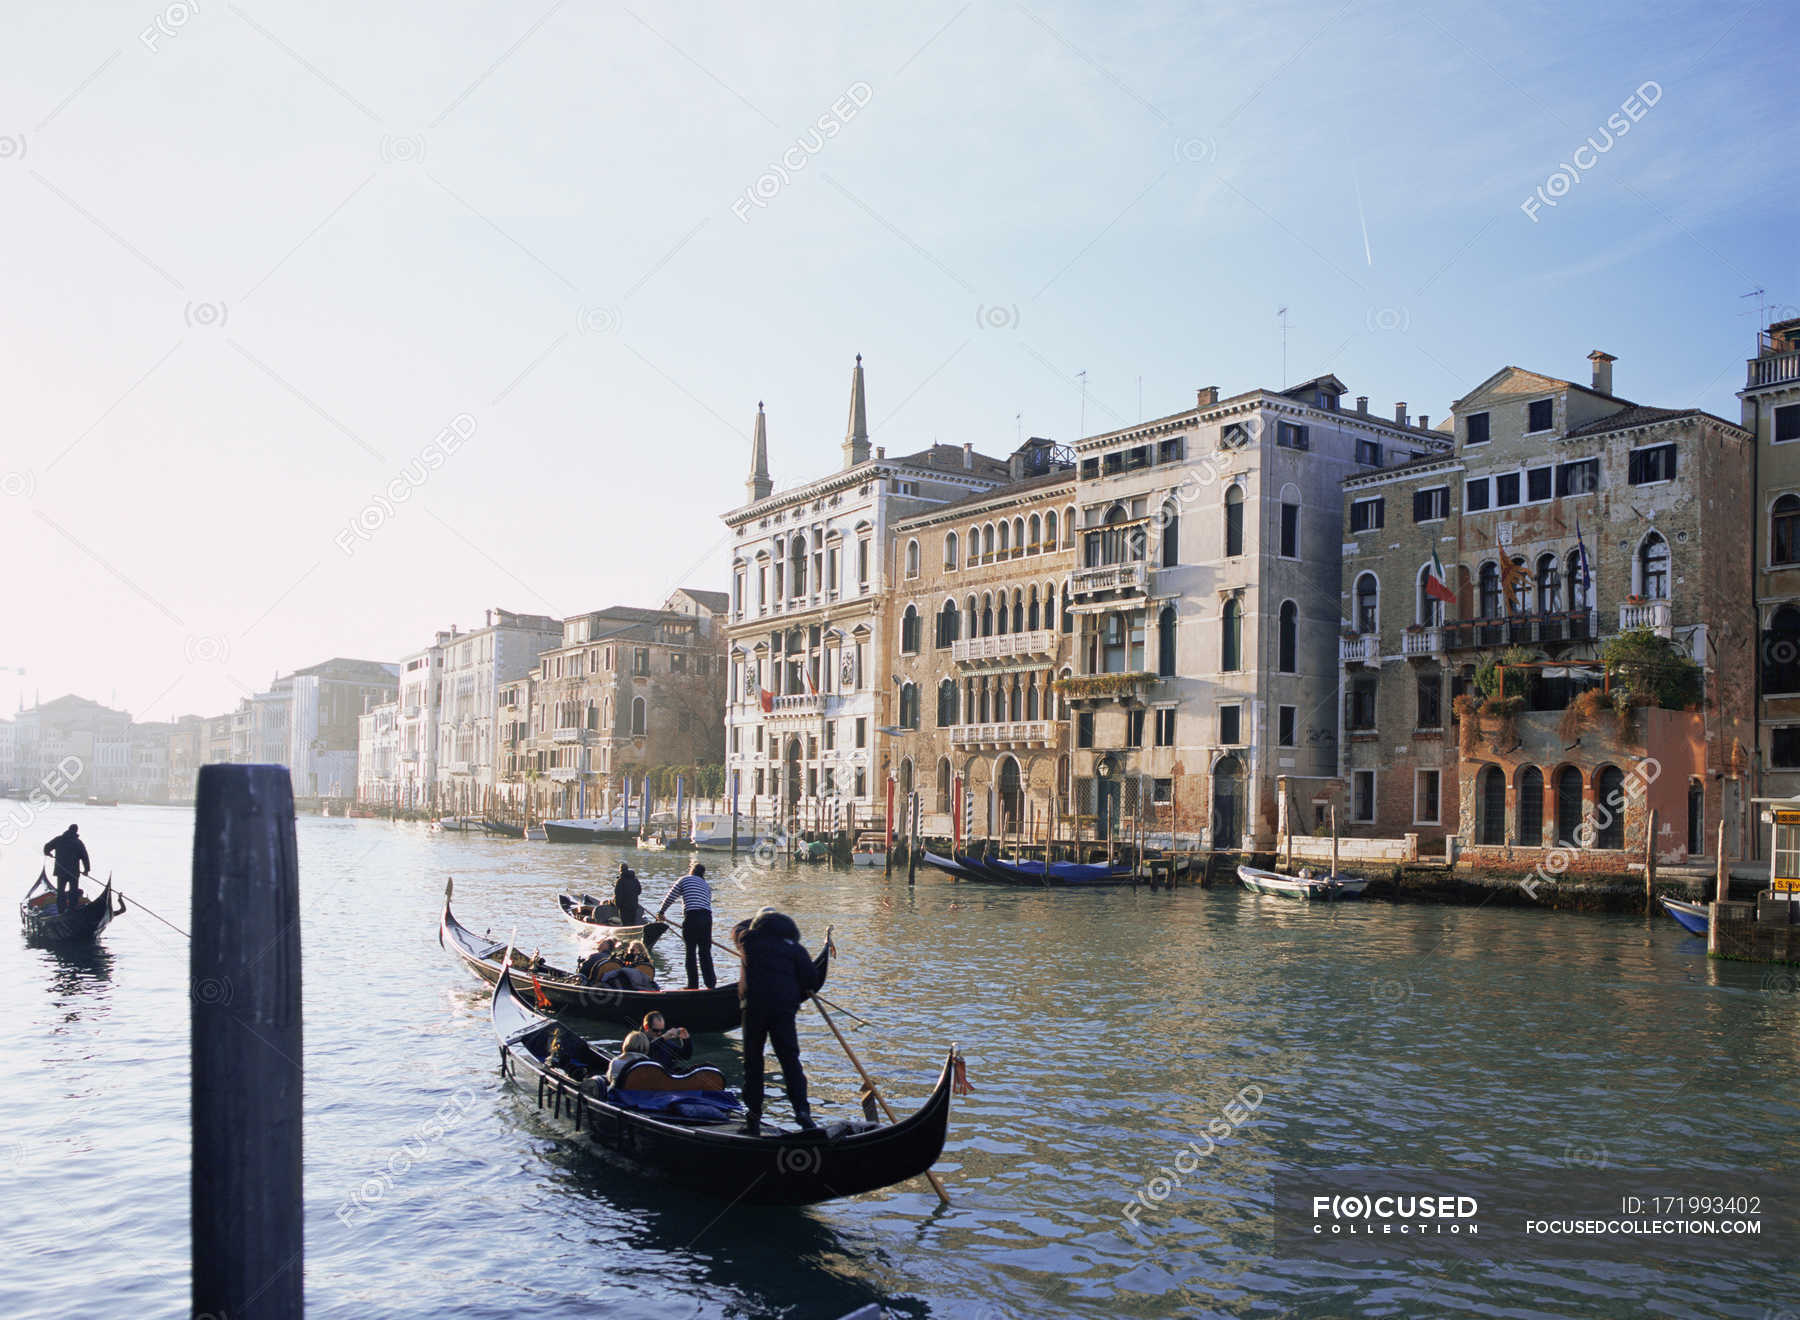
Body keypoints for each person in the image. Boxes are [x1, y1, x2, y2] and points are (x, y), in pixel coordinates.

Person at [731, 906, 823, 1134]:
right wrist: (795, 996)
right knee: (790, 1061)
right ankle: (802, 1113)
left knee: (753, 1062)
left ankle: (753, 1118)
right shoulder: (795, 948)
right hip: (784, 1009)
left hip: (753, 1008)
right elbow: (812, 980)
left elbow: (736, 928)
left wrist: (759, 918)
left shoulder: (748, 939)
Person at [654, 863, 715, 990]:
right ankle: (711, 984)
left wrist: (661, 912)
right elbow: (706, 903)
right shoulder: (706, 886)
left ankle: (693, 985)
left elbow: (671, 896)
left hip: (692, 916)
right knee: (705, 952)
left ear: (691, 871)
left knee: (691, 951)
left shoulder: (685, 879)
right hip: (707, 918)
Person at [42, 824, 90, 913]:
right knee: (73, 891)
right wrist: (86, 870)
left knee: (61, 891)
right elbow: (85, 857)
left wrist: (47, 853)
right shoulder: (78, 843)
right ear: (76, 831)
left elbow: (47, 847)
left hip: (61, 872)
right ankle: (72, 909)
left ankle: (61, 910)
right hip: (73, 873)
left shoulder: (59, 839)